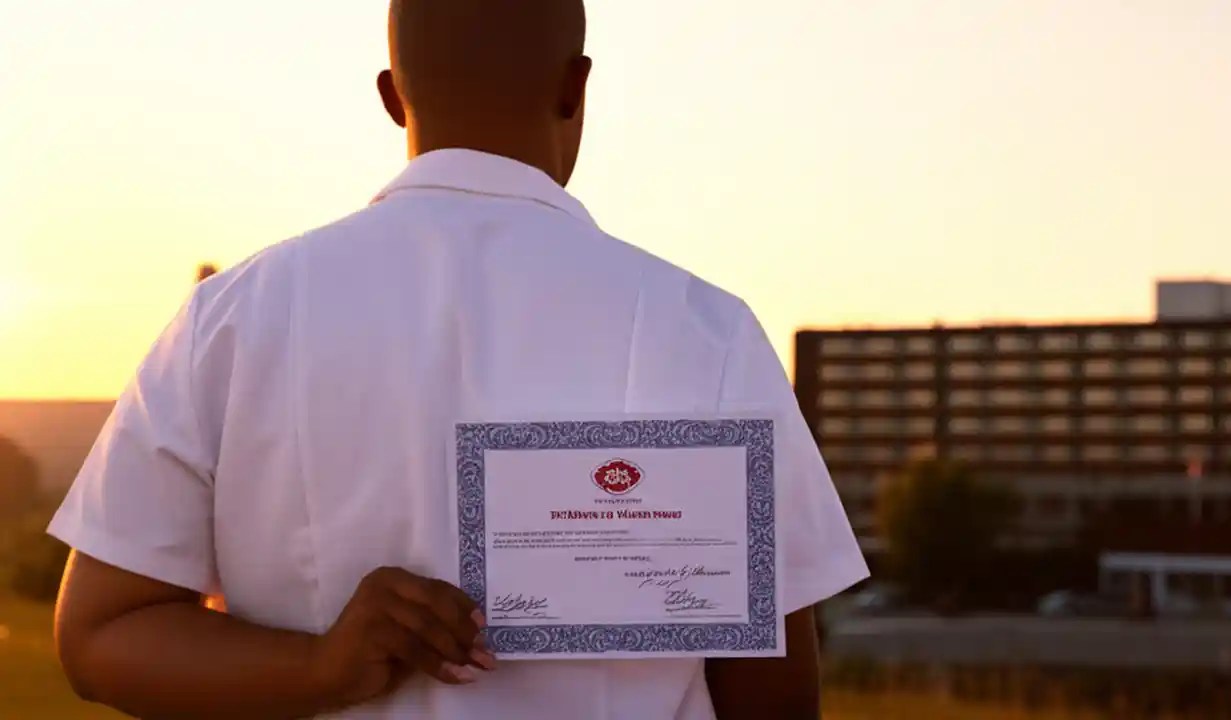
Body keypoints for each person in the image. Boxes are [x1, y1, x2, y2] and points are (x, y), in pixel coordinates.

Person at [47, 1, 868, 717]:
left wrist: (321, 669)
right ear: (575, 87)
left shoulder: (228, 319)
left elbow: (100, 637)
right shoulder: (706, 329)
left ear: (391, 95)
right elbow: (771, 695)